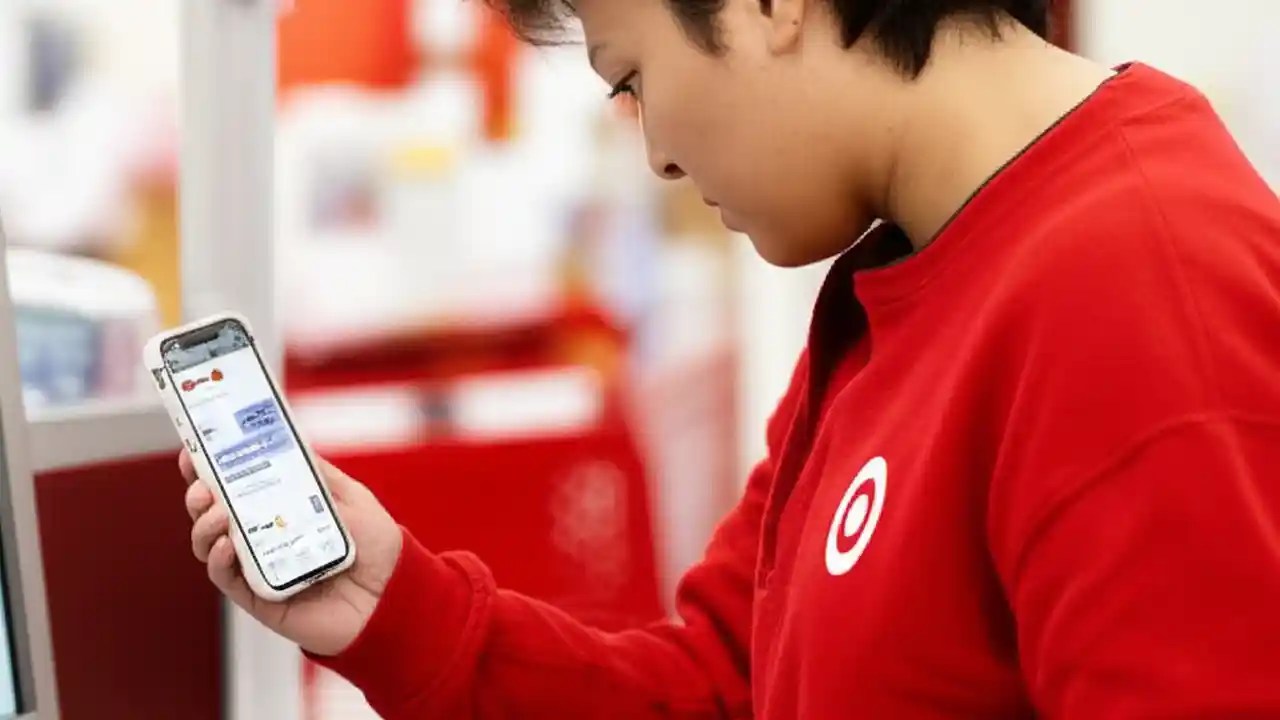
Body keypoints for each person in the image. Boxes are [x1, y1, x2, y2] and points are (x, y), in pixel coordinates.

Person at [181, 0, 1280, 716]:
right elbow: (725, 688)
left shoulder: (1132, 286)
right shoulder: (906, 276)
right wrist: (403, 612)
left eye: (634, 78)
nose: (655, 150)